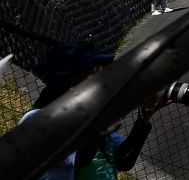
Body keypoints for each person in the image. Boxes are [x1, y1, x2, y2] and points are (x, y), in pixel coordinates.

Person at [13, 47, 164, 180]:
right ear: (69, 79)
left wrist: (143, 120)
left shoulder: (84, 115)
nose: (99, 78)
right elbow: (81, 157)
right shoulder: (37, 120)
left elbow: (122, 161)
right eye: (92, 71)